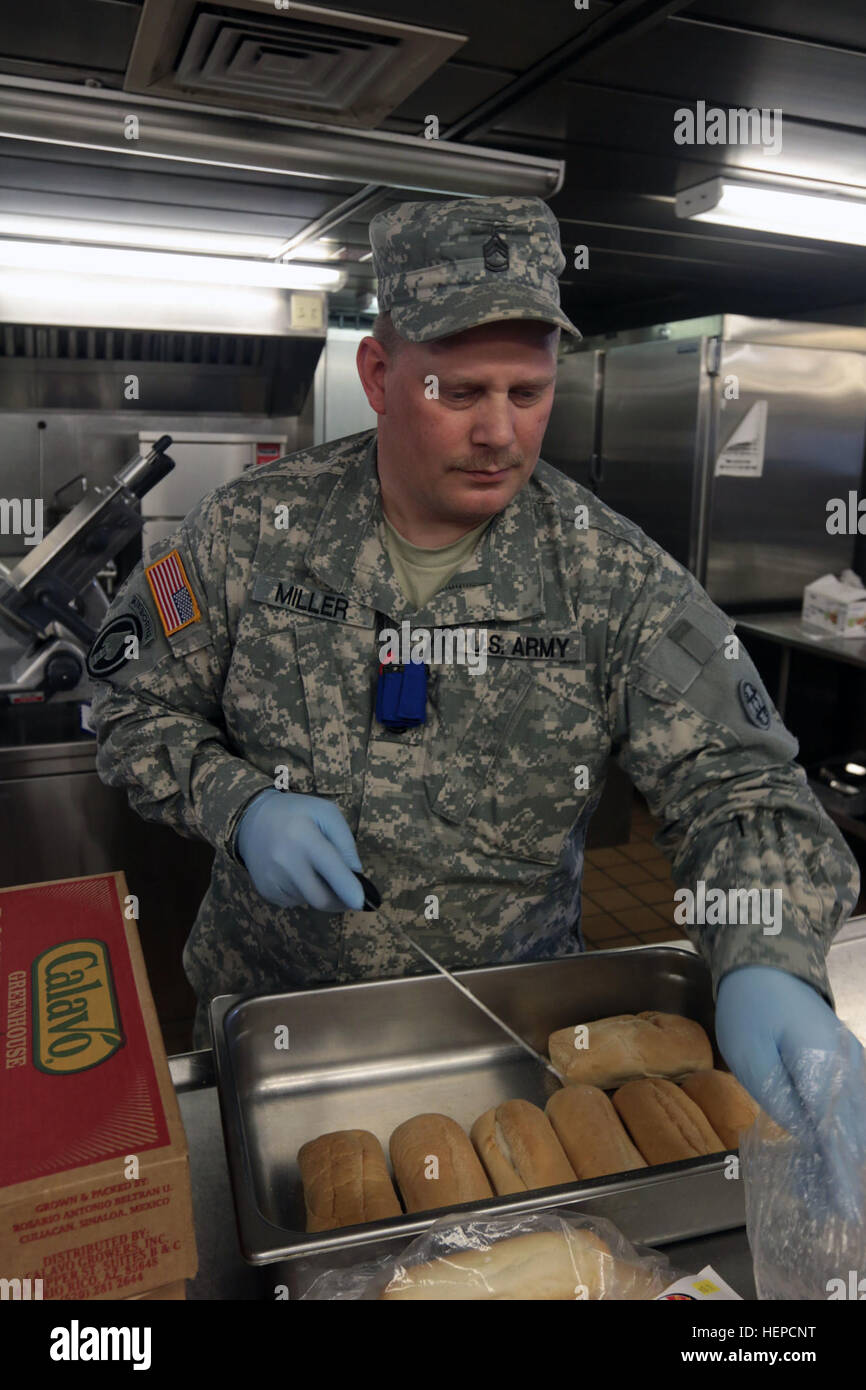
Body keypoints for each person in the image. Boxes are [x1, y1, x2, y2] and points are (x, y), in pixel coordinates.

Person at [88, 196, 864, 1186]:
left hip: (514, 1052)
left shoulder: (607, 577)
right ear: (378, 374)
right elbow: (126, 703)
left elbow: (739, 788)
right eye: (457, 391)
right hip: (274, 1036)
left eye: (527, 391)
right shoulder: (247, 534)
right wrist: (239, 806)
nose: (500, 431)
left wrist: (764, 956)